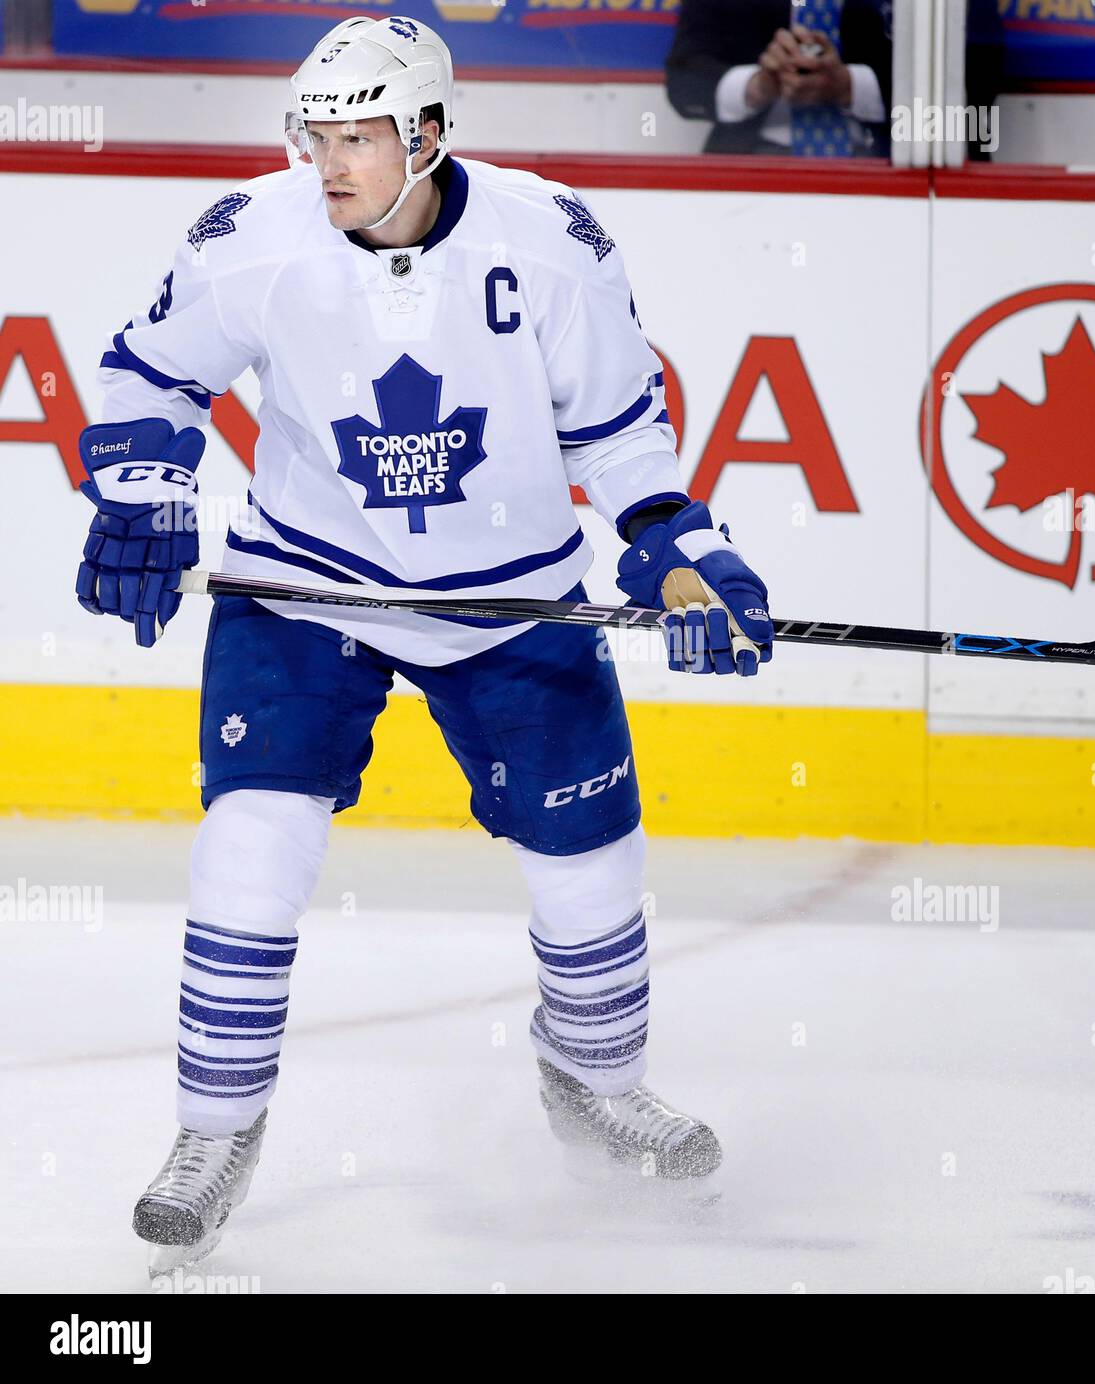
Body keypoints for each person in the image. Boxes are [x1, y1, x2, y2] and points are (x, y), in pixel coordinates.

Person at [74, 14, 774, 1275]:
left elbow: (619, 435)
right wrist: (140, 495)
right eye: (316, 136)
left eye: (358, 138)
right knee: (249, 849)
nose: (329, 164)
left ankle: (595, 1085)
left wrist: (679, 546)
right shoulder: (255, 239)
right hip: (305, 587)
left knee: (590, 865)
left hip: (509, 599)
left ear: (431, 134)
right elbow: (147, 375)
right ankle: (211, 1133)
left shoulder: (551, 241)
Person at [666, 0, 892, 156]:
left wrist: (849, 86)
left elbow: (924, 87)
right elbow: (684, 79)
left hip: (882, 162)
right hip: (753, 159)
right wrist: (756, 86)